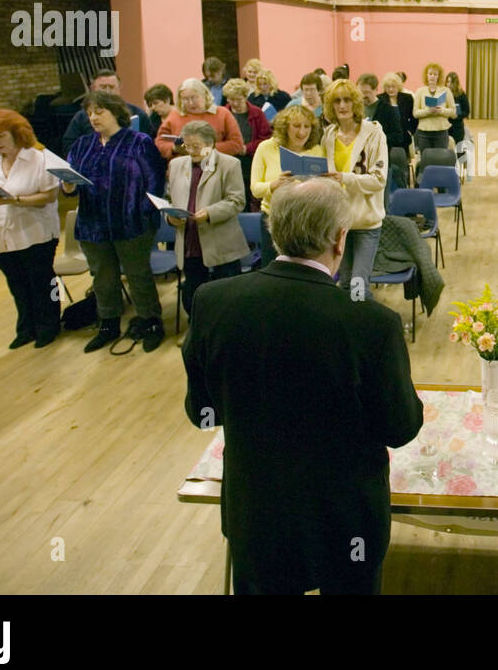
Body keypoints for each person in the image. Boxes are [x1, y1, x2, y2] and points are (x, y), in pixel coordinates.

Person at [183, 179, 424, 594]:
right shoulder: (371, 323)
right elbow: (400, 429)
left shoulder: (212, 300)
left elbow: (203, 412)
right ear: (339, 239)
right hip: (345, 520)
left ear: (275, 231)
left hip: (257, 514)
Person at [62, 91, 167, 353]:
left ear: (115, 113)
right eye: (89, 113)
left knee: (138, 274)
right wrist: (66, 186)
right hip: (92, 224)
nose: (93, 117)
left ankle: (150, 322)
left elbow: (155, 181)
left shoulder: (138, 142)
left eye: (99, 112)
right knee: (103, 278)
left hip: (132, 222)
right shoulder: (83, 145)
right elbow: (71, 186)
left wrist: (144, 214)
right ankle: (108, 324)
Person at [0, 109, 62, 349]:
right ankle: (26, 328)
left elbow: (49, 196)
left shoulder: (39, 159)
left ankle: (49, 325)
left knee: (42, 283)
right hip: (2, 236)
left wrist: (15, 200)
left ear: (17, 134)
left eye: (1, 136)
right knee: (17, 284)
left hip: (35, 233)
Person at [167, 122, 249, 317]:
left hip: (220, 240)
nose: (191, 151)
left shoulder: (229, 164)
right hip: (189, 240)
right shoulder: (176, 164)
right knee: (193, 294)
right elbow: (172, 200)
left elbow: (237, 201)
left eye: (197, 146)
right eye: (187, 146)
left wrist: (210, 213)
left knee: (228, 295)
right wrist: (171, 218)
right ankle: (198, 332)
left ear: (211, 144)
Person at [321, 79, 388, 299]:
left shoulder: (374, 133)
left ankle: (367, 331)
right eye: (337, 101)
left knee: (359, 287)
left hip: (366, 220)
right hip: (340, 221)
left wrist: (344, 178)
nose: (342, 106)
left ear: (355, 103)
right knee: (345, 283)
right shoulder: (329, 136)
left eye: (347, 100)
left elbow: (379, 180)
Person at [250, 105, 324, 269]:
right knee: (273, 269)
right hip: (273, 218)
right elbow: (255, 188)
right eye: (296, 126)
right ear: (285, 127)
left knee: (302, 270)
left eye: (307, 126)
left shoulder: (317, 150)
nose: (302, 132)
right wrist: (273, 185)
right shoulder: (266, 147)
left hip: (307, 219)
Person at [61, 69, 149, 155]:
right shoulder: (81, 117)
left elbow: (150, 144)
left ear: (119, 88)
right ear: (93, 88)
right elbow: (68, 147)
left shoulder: (137, 113)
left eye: (111, 87)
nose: (107, 91)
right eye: (103, 87)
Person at [155, 78, 244, 161]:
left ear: (205, 94)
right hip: (184, 168)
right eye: (185, 99)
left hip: (216, 165)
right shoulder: (175, 115)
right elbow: (160, 142)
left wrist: (205, 149)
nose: (190, 103)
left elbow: (237, 144)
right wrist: (174, 148)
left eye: (194, 98)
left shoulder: (222, 113)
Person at [222, 77, 272, 210]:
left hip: (251, 160)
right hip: (229, 161)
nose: (235, 103)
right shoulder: (223, 113)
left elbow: (266, 138)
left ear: (245, 97)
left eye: (238, 99)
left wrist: (246, 148)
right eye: (231, 99)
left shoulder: (257, 113)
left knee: (253, 198)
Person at [412, 62, 458, 154]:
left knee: (440, 159)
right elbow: (415, 113)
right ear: (426, 75)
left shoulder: (446, 91)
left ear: (439, 76)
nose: (432, 76)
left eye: (435, 74)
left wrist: (442, 110)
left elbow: (453, 112)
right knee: (425, 159)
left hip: (441, 132)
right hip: (424, 133)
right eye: (430, 74)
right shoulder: (420, 91)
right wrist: (428, 111)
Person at [358, 73, 406, 151]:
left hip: (381, 156)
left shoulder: (388, 110)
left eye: (366, 92)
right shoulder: (354, 109)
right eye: (360, 92)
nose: (363, 96)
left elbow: (398, 137)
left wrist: (377, 138)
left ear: (376, 90)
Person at [380, 72, 415, 148]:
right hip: (386, 138)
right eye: (388, 87)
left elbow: (414, 117)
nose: (391, 89)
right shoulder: (380, 99)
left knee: (403, 159)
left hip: (404, 137)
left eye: (393, 86)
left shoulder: (408, 98)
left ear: (398, 87)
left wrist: (410, 131)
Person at [445, 71, 470, 146]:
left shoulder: (461, 94)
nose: (449, 85)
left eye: (451, 82)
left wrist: (458, 116)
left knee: (459, 149)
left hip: (457, 126)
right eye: (447, 82)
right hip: (446, 125)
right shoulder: (443, 94)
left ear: (455, 83)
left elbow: (467, 111)